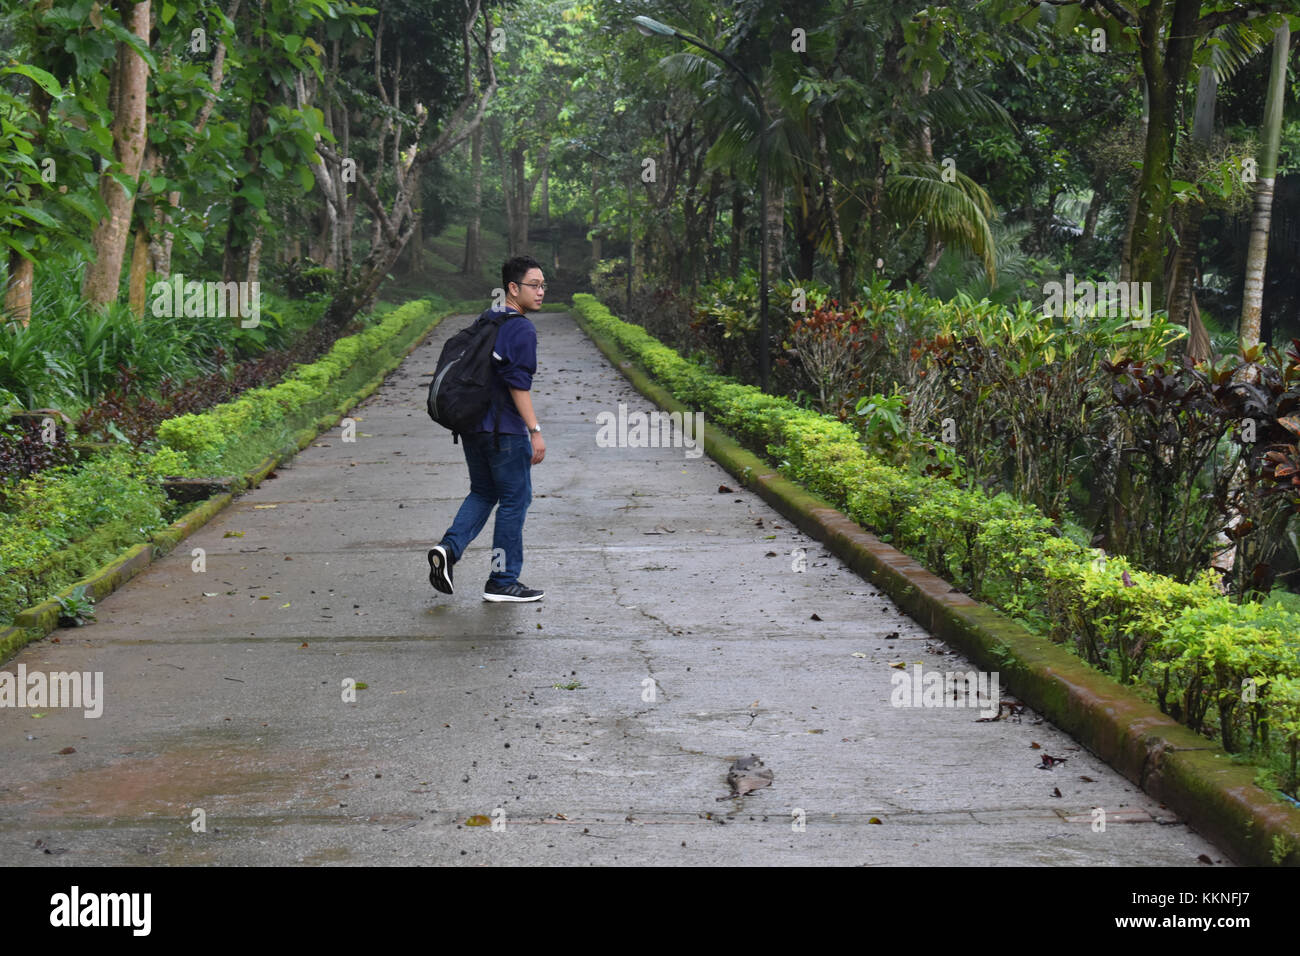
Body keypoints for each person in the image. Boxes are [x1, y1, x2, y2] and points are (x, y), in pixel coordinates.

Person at [427, 256, 547, 602]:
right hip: (504, 432)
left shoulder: (488, 319)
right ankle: (502, 579)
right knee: (515, 500)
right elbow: (518, 385)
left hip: (472, 427)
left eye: (543, 286)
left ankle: (448, 550)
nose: (540, 292)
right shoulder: (521, 328)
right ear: (513, 288)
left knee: (483, 492)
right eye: (534, 285)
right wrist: (534, 430)